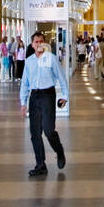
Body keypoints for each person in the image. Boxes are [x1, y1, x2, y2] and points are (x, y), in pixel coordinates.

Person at [21, 31, 68, 176]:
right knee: (35, 133)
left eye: (41, 41)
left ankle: (59, 150)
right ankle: (40, 164)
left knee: (48, 130)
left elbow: (61, 78)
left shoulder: (52, 59)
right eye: (36, 42)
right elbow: (24, 83)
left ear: (45, 43)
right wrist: (23, 102)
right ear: (32, 44)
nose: (39, 44)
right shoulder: (29, 61)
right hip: (34, 96)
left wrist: (65, 96)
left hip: (48, 95)